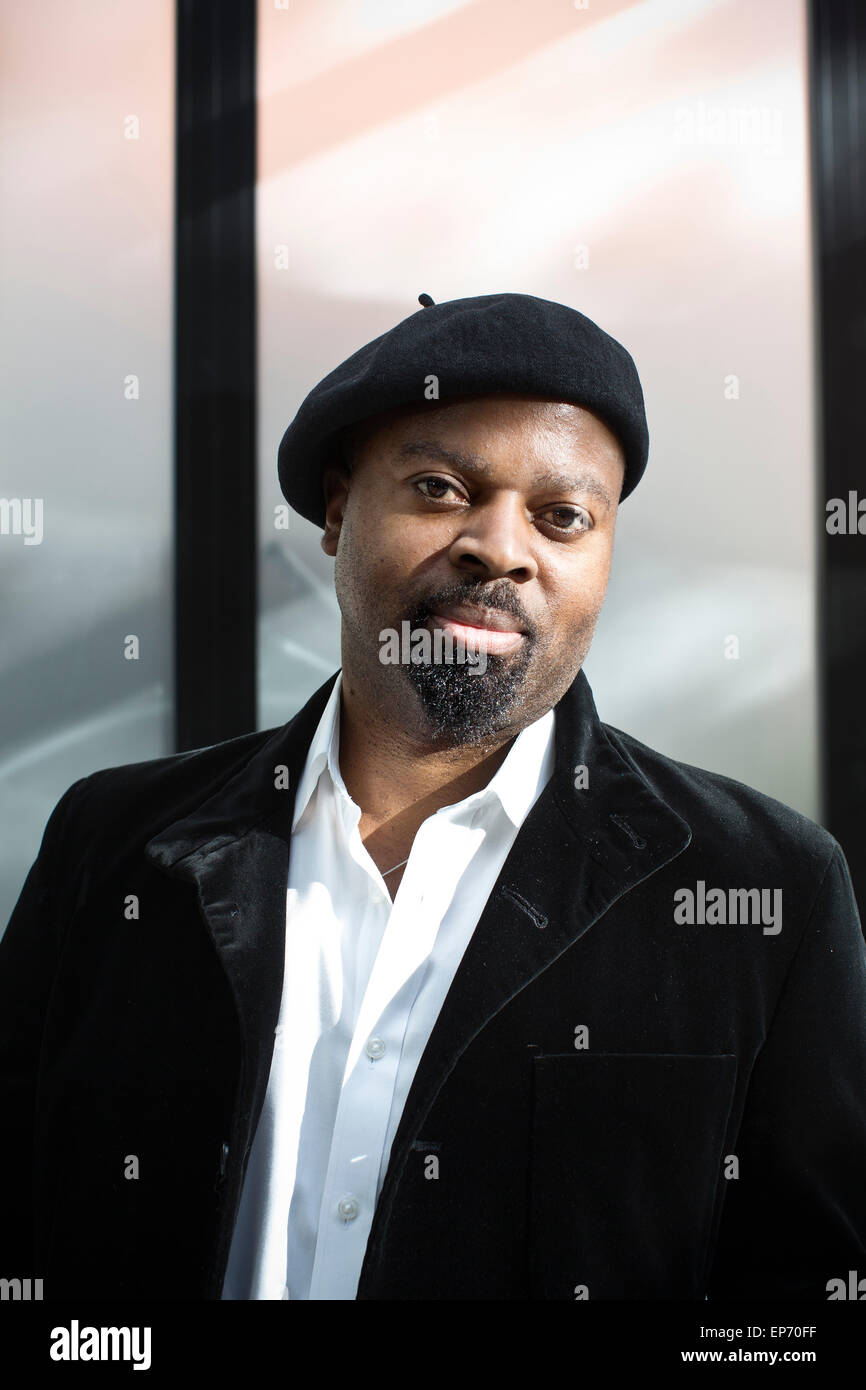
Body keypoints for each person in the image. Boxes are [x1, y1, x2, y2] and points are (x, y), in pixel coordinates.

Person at [1, 292, 864, 1301]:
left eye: (561, 517)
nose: (500, 548)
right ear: (335, 512)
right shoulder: (112, 843)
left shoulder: (762, 892)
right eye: (440, 486)